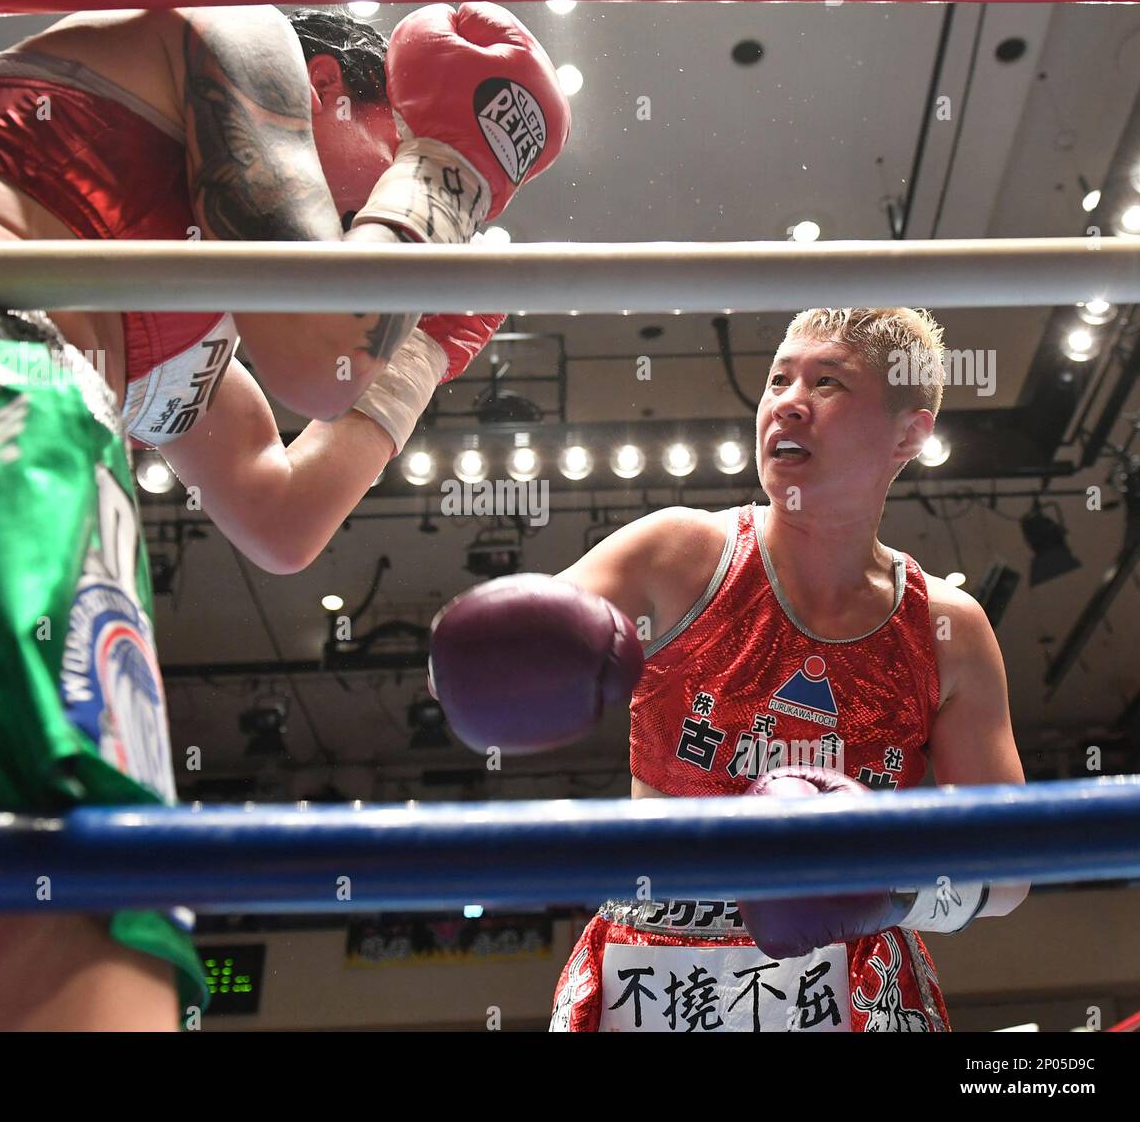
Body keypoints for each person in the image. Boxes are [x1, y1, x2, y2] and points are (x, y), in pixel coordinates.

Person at [0, 2, 569, 1030]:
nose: (387, 218)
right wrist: (443, 170)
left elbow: (281, 518)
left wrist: (421, 355)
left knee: (22, 924)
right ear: (324, 89)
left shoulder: (186, 324)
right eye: (389, 151)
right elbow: (325, 358)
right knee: (62, 929)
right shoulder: (235, 29)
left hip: (11, 431)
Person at [429, 307, 1030, 1032]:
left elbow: (1010, 871)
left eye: (828, 382)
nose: (788, 402)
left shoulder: (947, 629)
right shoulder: (679, 557)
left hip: (854, 976)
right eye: (779, 379)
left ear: (909, 432)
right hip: (654, 968)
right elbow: (471, 663)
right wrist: (484, 663)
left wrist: (889, 885)